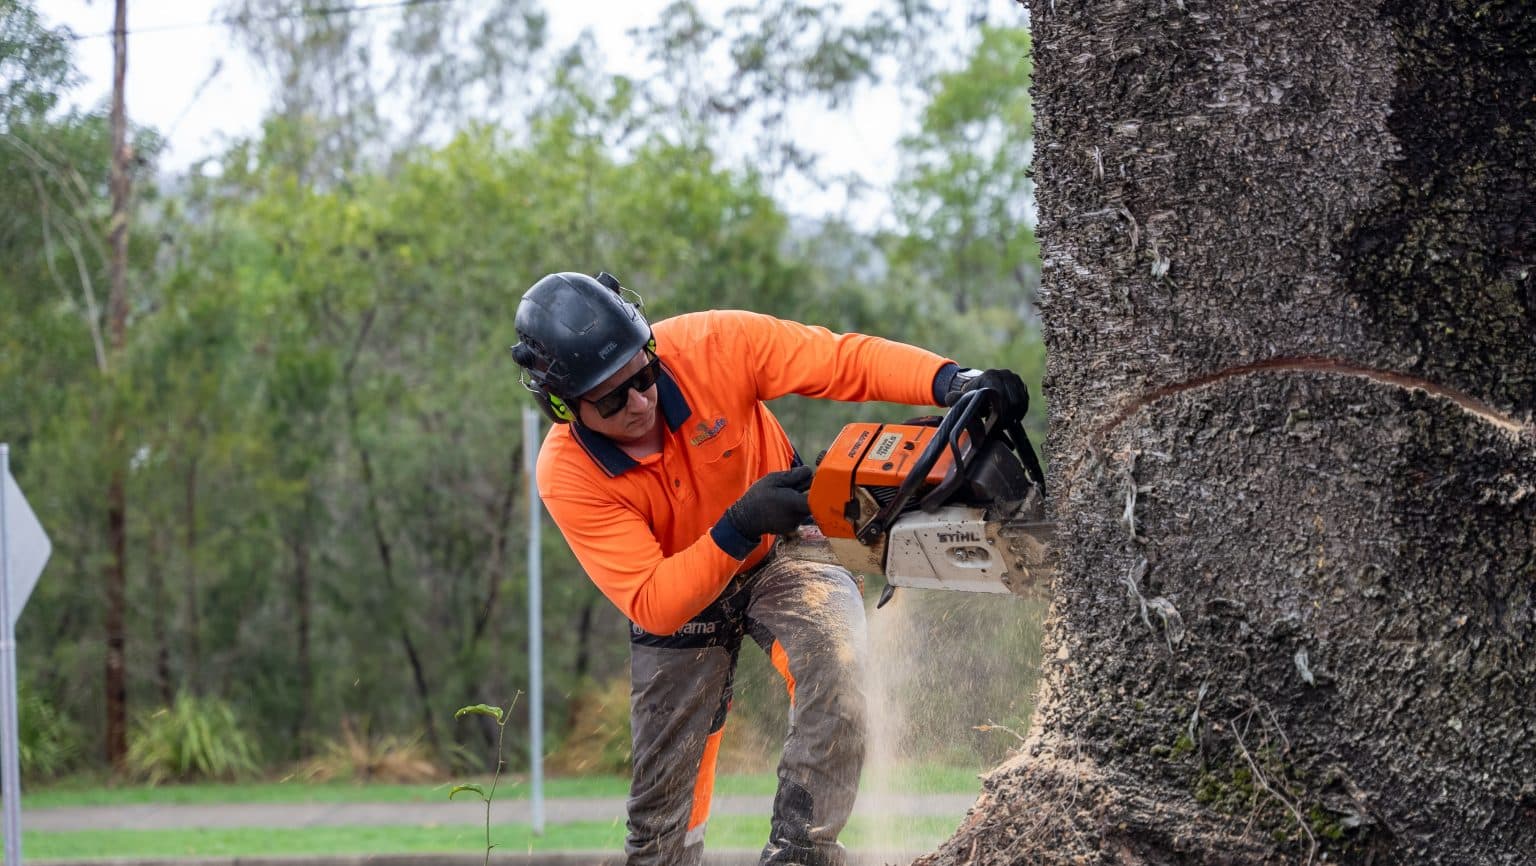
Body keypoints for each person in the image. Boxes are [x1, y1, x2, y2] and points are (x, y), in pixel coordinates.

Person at [509, 271, 1029, 866]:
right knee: (661, 815)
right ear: (561, 404)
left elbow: (838, 360)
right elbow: (653, 600)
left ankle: (801, 851)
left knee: (839, 660)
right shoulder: (568, 475)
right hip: (678, 588)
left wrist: (950, 380)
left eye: (645, 374)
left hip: (784, 546)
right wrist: (735, 525)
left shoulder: (713, 345)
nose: (640, 400)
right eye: (610, 398)